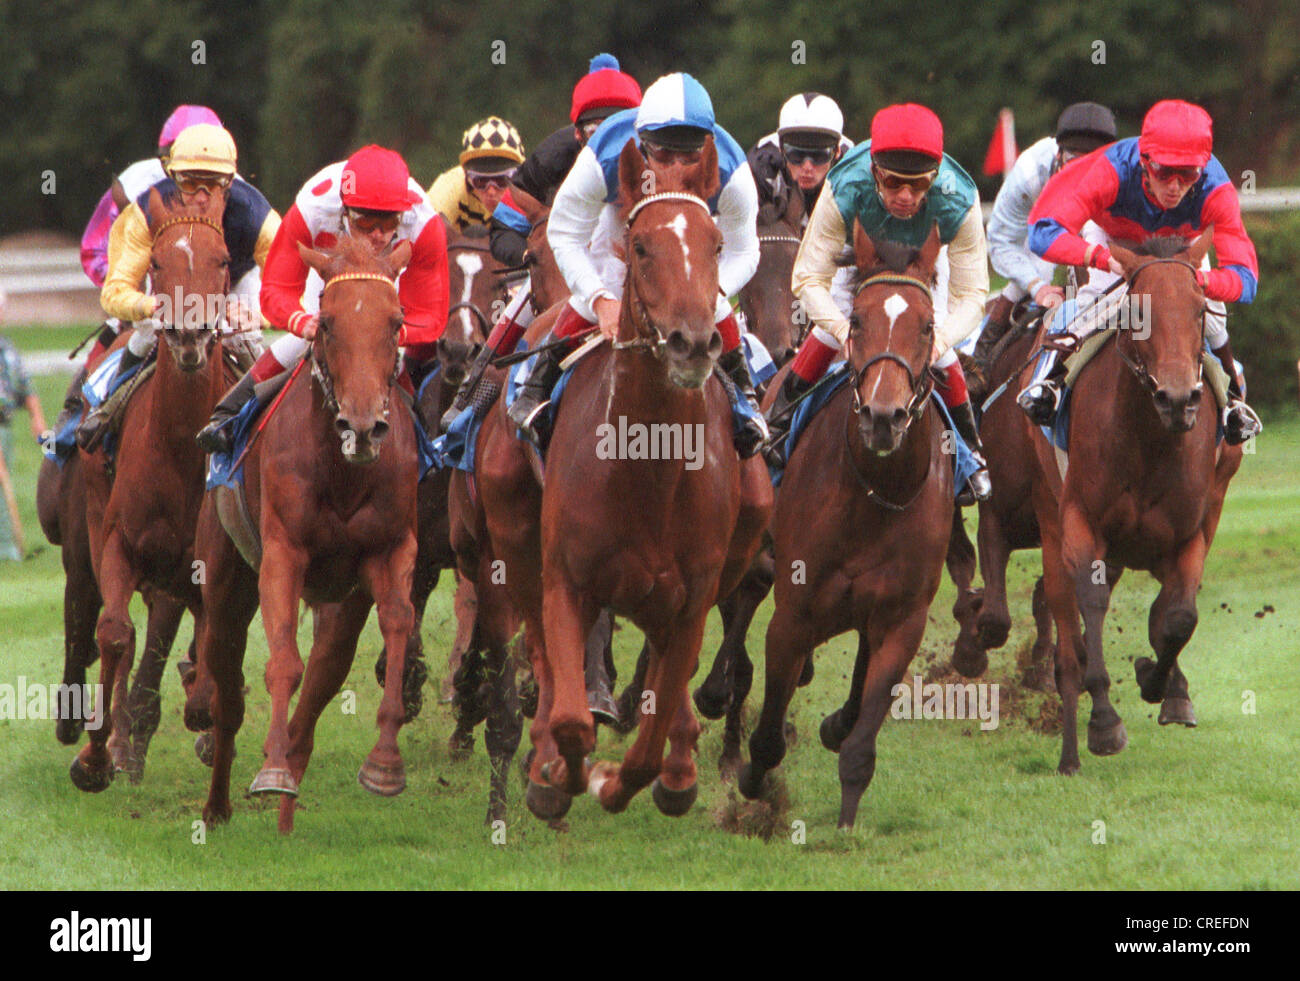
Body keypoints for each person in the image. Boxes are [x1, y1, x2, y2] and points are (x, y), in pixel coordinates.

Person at [508, 71, 766, 457]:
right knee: (608, 283)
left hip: (692, 234)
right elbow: (564, 233)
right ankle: (536, 388)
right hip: (621, 220)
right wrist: (599, 300)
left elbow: (746, 251)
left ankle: (746, 399)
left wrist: (709, 294)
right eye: (663, 154)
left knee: (708, 306)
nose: (676, 170)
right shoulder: (607, 154)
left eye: (690, 155)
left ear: (708, 147)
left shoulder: (733, 172)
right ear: (642, 143)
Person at [767, 103, 992, 503]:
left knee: (937, 351)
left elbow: (972, 295)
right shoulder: (845, 184)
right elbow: (807, 278)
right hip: (859, 262)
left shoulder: (961, 199)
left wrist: (939, 342)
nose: (905, 197)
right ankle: (777, 426)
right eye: (892, 183)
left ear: (936, 178)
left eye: (919, 185)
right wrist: (842, 331)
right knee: (827, 331)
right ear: (874, 172)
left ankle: (970, 454)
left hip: (926, 267)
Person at [1019, 99, 1262, 444]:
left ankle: (1234, 401)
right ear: (1145, 162)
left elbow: (1246, 281)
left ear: (1202, 169)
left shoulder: (1216, 189)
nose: (1175, 186)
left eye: (1188, 174)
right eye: (1165, 172)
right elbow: (1042, 232)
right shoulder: (1111, 169)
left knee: (1212, 319)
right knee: (1094, 305)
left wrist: (1199, 281)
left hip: (1183, 249)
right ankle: (1052, 384)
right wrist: (1101, 258)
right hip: (1116, 241)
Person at [196, 144, 449, 454]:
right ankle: (228, 413)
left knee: (384, 351)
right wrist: (302, 322)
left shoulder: (424, 223)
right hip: (332, 267)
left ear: (404, 214)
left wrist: (389, 333)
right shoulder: (313, 208)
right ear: (343, 210)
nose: (378, 236)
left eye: (390, 223)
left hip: (388, 276)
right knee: (305, 340)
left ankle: (421, 439)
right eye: (365, 223)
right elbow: (276, 289)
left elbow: (431, 315)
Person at [440, 54, 642, 429]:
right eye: (599, 129)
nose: (614, 139)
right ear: (578, 133)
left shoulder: (654, 152)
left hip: (632, 262)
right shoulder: (551, 158)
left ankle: (743, 391)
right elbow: (502, 231)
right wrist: (538, 259)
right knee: (516, 311)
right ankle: (472, 395)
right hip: (560, 261)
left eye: (624, 125)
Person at [76, 123, 280, 449]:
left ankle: (271, 426)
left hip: (234, 283)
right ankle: (108, 408)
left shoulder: (257, 216)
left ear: (231, 180)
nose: (201, 196)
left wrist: (259, 316)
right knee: (144, 333)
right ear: (171, 175)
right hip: (172, 291)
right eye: (189, 182)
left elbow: (290, 290)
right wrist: (148, 306)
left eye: (214, 183)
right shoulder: (145, 211)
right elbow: (115, 290)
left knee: (247, 339)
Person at [974, 102, 1117, 367]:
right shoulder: (1029, 174)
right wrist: (1036, 287)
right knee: (1039, 268)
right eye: (1075, 161)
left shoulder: (1124, 170)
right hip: (1042, 232)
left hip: (1100, 230)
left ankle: (1215, 351)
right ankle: (981, 358)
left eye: (1093, 163)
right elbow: (1001, 243)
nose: (1082, 175)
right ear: (1059, 154)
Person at [747, 92, 853, 231]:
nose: (807, 167)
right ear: (781, 149)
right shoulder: (759, 169)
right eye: (796, 154)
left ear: (837, 152)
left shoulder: (853, 172)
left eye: (819, 155)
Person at [0, 299, 48, 560]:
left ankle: (7, 550)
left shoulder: (6, 348)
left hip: (3, 425)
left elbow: (25, 386)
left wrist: (36, 417)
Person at [427, 117, 526, 235]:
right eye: (481, 181)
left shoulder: (527, 193)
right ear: (467, 176)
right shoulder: (451, 186)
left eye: (501, 180)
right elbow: (427, 231)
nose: (491, 191)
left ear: (517, 176)